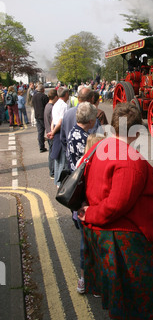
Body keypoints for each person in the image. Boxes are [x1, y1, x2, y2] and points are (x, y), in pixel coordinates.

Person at [77, 102, 153, 320]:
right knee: (124, 281)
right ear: (138, 132)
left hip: (99, 226)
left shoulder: (100, 147)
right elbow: (116, 205)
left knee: (113, 282)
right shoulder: (131, 162)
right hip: (117, 230)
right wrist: (91, 215)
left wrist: (89, 214)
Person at [65, 103, 98, 294]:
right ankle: (90, 281)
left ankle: (84, 279)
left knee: (86, 241)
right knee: (90, 241)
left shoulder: (73, 132)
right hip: (85, 193)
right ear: (92, 120)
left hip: (77, 192)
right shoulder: (87, 139)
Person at [47, 86, 69, 186]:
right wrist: (54, 132)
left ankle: (57, 181)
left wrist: (52, 131)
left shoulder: (55, 104)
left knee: (57, 159)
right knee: (62, 160)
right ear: (66, 94)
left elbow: (53, 120)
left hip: (55, 129)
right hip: (60, 131)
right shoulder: (64, 105)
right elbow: (60, 122)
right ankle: (60, 184)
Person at [44, 88, 58, 178]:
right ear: (55, 97)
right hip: (51, 133)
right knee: (53, 154)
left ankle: (52, 171)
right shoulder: (52, 107)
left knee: (51, 153)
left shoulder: (47, 106)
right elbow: (54, 121)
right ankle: (52, 172)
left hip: (48, 131)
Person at [32, 84, 49, 152]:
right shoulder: (44, 96)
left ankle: (41, 147)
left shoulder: (34, 96)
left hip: (37, 115)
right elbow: (47, 105)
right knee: (48, 130)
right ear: (43, 90)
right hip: (43, 115)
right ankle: (50, 144)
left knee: (40, 132)